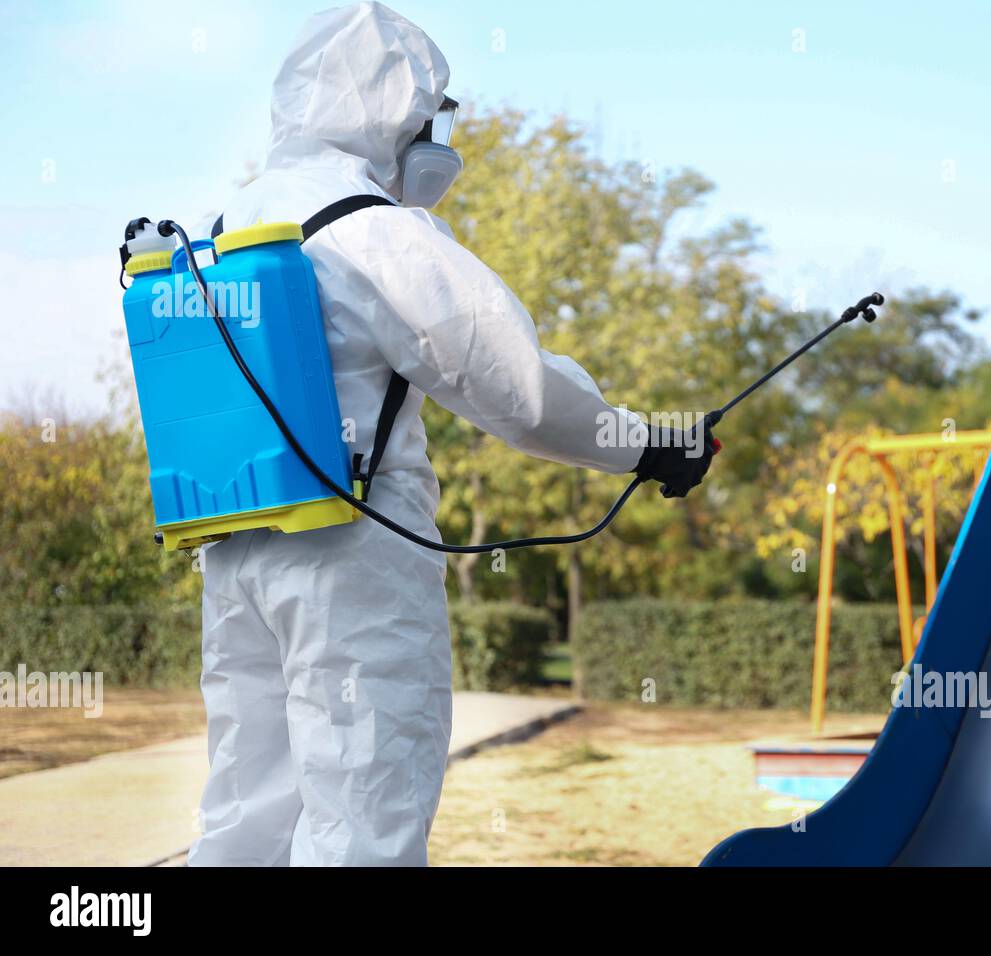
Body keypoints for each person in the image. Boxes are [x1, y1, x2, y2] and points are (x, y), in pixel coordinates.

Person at [188, 1, 712, 866]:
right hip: (350, 551)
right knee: (365, 806)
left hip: (237, 549)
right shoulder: (371, 230)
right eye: (428, 111)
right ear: (390, 108)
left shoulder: (218, 233)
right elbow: (518, 386)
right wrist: (649, 442)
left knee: (249, 808)